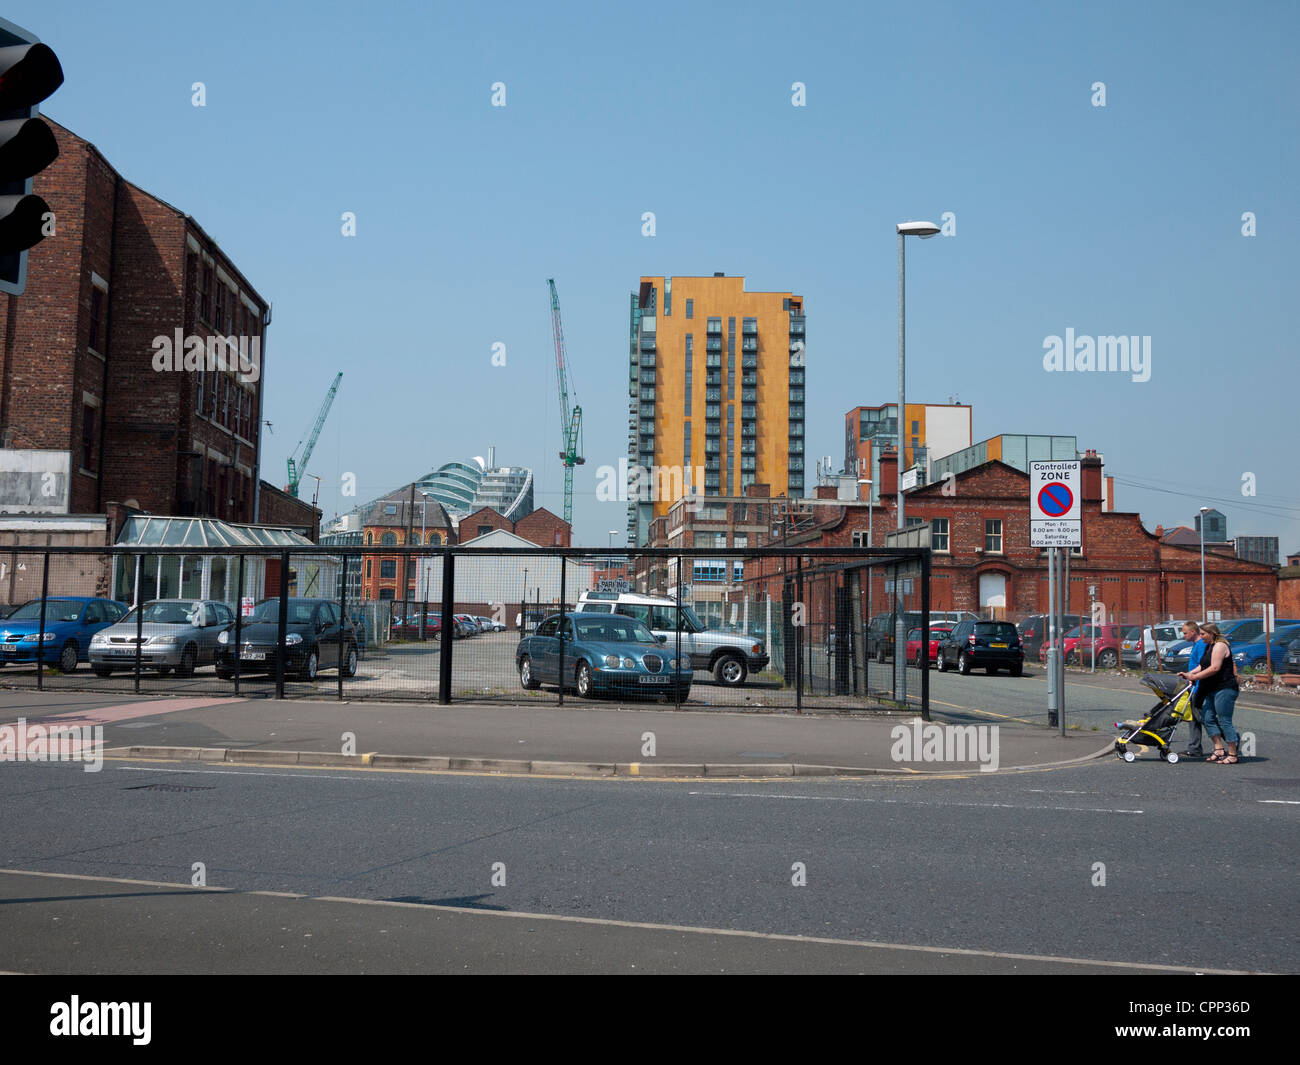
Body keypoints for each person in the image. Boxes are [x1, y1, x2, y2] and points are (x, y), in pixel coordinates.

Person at [1179, 623, 1240, 764]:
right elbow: (1203, 665)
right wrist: (1189, 673)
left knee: (1224, 720)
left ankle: (1232, 753)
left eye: (1203, 634)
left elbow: (1214, 668)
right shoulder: (1208, 646)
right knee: (1207, 718)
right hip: (1212, 688)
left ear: (1211, 633)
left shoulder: (1220, 646)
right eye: (1200, 634)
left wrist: (1195, 677)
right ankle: (1218, 749)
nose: (1201, 637)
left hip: (1225, 688)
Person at [1178, 621, 1207, 757]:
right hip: (1193, 685)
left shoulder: (1201, 644)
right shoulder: (1196, 644)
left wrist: (1193, 676)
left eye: (1185, 633)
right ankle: (1195, 747)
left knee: (1203, 717)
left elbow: (1203, 665)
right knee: (1194, 718)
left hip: (1199, 686)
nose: (1183, 636)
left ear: (1193, 632)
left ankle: (1230, 739)